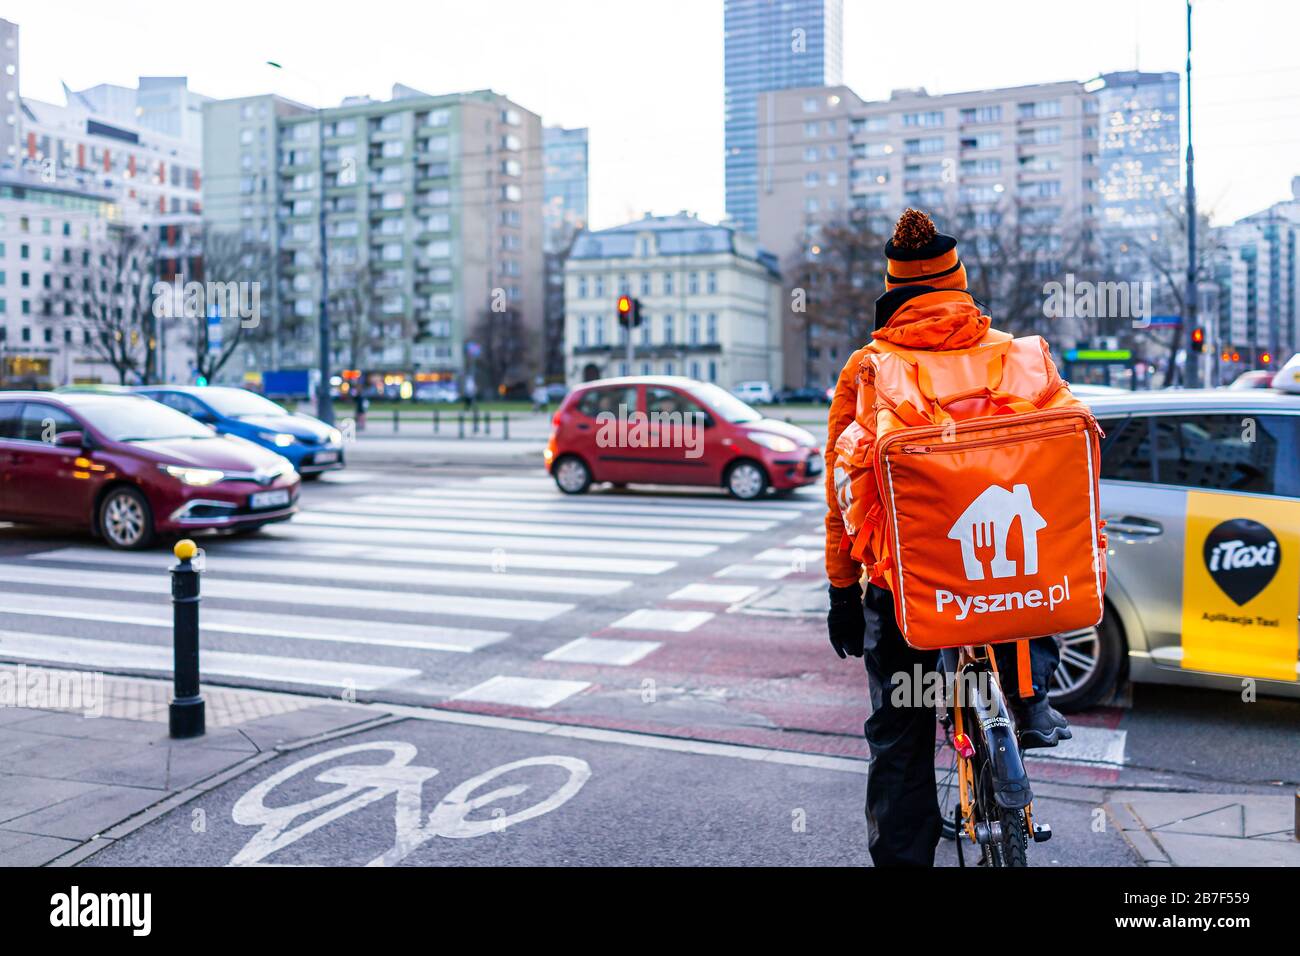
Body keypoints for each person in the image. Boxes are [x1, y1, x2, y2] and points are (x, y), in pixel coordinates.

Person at [824, 208, 1071, 867]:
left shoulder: (868, 369)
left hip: (907, 590)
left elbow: (840, 494)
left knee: (899, 739)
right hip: (1004, 576)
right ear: (962, 290)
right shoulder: (1017, 358)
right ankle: (1027, 700)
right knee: (1018, 595)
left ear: (894, 295)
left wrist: (842, 592)